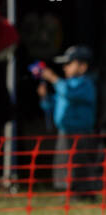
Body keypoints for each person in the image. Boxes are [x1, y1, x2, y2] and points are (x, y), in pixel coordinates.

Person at [38, 45, 100, 200]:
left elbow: (69, 94)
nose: (64, 67)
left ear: (83, 66)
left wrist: (54, 79)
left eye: (69, 63)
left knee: (80, 162)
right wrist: (45, 98)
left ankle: (83, 192)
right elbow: (53, 104)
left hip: (81, 132)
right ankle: (65, 190)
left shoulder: (86, 84)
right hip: (64, 130)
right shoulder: (64, 85)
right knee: (63, 161)